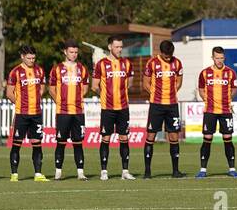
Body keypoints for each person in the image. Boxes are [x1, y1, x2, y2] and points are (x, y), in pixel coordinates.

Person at [92, 36, 135, 181]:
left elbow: (129, 83)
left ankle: (125, 171)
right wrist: (104, 94)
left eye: (121, 47)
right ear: (110, 47)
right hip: (108, 108)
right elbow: (94, 86)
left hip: (123, 107)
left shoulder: (127, 63)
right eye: (117, 47)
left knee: (124, 138)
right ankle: (104, 171)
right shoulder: (101, 64)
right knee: (106, 138)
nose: (120, 49)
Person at [142, 40, 185, 178]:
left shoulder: (177, 63)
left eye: (170, 55)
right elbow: (145, 83)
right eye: (166, 56)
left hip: (172, 105)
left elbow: (179, 81)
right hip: (156, 105)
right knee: (151, 136)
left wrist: (171, 92)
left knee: (174, 136)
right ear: (161, 53)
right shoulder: (152, 63)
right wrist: (155, 94)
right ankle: (147, 171)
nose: (168, 58)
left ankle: (176, 171)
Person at [195, 47, 237, 178]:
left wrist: (230, 99)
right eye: (217, 58)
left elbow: (235, 88)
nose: (219, 60)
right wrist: (205, 99)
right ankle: (203, 170)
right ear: (212, 58)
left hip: (226, 111)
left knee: (227, 138)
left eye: (221, 58)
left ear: (224, 58)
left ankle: (232, 168)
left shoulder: (230, 73)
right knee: (207, 138)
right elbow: (201, 89)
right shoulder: (205, 73)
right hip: (210, 111)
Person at [6, 46, 48, 182]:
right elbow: (9, 93)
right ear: (22, 57)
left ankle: (38, 174)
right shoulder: (15, 72)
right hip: (22, 114)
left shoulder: (39, 70)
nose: (31, 60)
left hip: (36, 113)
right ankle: (14, 174)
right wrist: (19, 104)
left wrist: (37, 97)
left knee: (37, 143)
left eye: (33, 58)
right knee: (17, 144)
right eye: (29, 58)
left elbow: (42, 86)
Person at [49, 40, 89, 181]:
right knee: (61, 142)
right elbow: (51, 89)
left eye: (76, 52)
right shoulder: (57, 69)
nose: (74, 54)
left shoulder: (82, 69)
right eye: (71, 52)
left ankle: (80, 173)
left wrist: (78, 98)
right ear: (65, 52)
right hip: (63, 112)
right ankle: (58, 172)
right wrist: (59, 101)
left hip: (78, 112)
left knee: (78, 142)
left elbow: (85, 87)